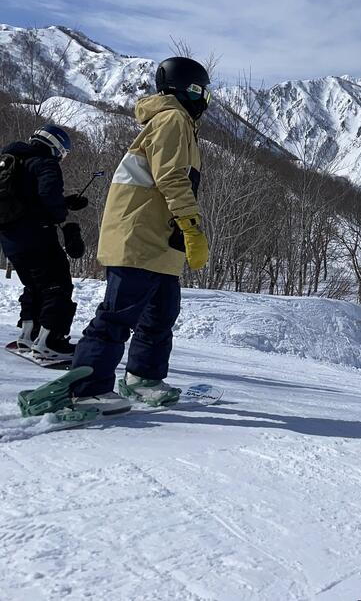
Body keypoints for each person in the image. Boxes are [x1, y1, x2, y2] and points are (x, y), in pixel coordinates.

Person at [55, 57, 212, 415]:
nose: (205, 100)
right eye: (202, 92)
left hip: (160, 240)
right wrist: (191, 225)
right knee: (118, 315)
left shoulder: (180, 123)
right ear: (187, 88)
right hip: (139, 236)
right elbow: (171, 177)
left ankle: (144, 378)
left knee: (160, 316)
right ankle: (87, 388)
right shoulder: (172, 119)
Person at [1, 124, 89, 363]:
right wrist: (63, 215)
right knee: (56, 286)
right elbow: (48, 197)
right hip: (37, 238)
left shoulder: (13, 161)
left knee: (34, 286)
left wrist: (65, 202)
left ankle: (28, 336)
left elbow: (30, 199)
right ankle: (50, 342)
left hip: (10, 240)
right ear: (56, 146)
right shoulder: (45, 163)